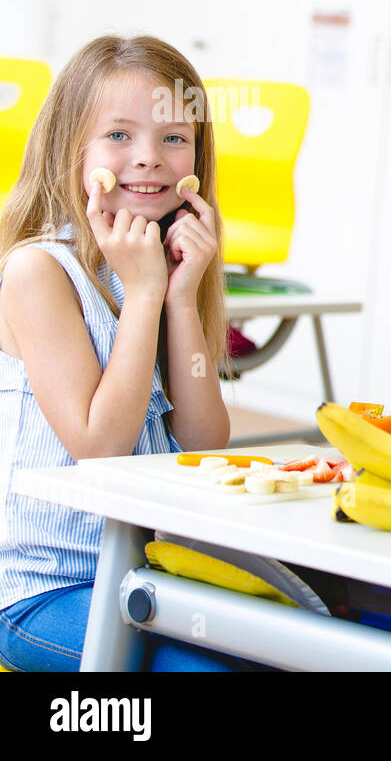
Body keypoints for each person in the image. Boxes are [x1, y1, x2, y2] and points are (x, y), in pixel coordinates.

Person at [0, 35, 234, 670]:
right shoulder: (38, 271)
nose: (149, 159)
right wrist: (143, 295)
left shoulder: (163, 267)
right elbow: (98, 448)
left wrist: (180, 300)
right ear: (71, 149)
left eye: (173, 139)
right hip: (46, 591)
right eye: (120, 136)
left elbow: (206, 442)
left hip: (147, 574)